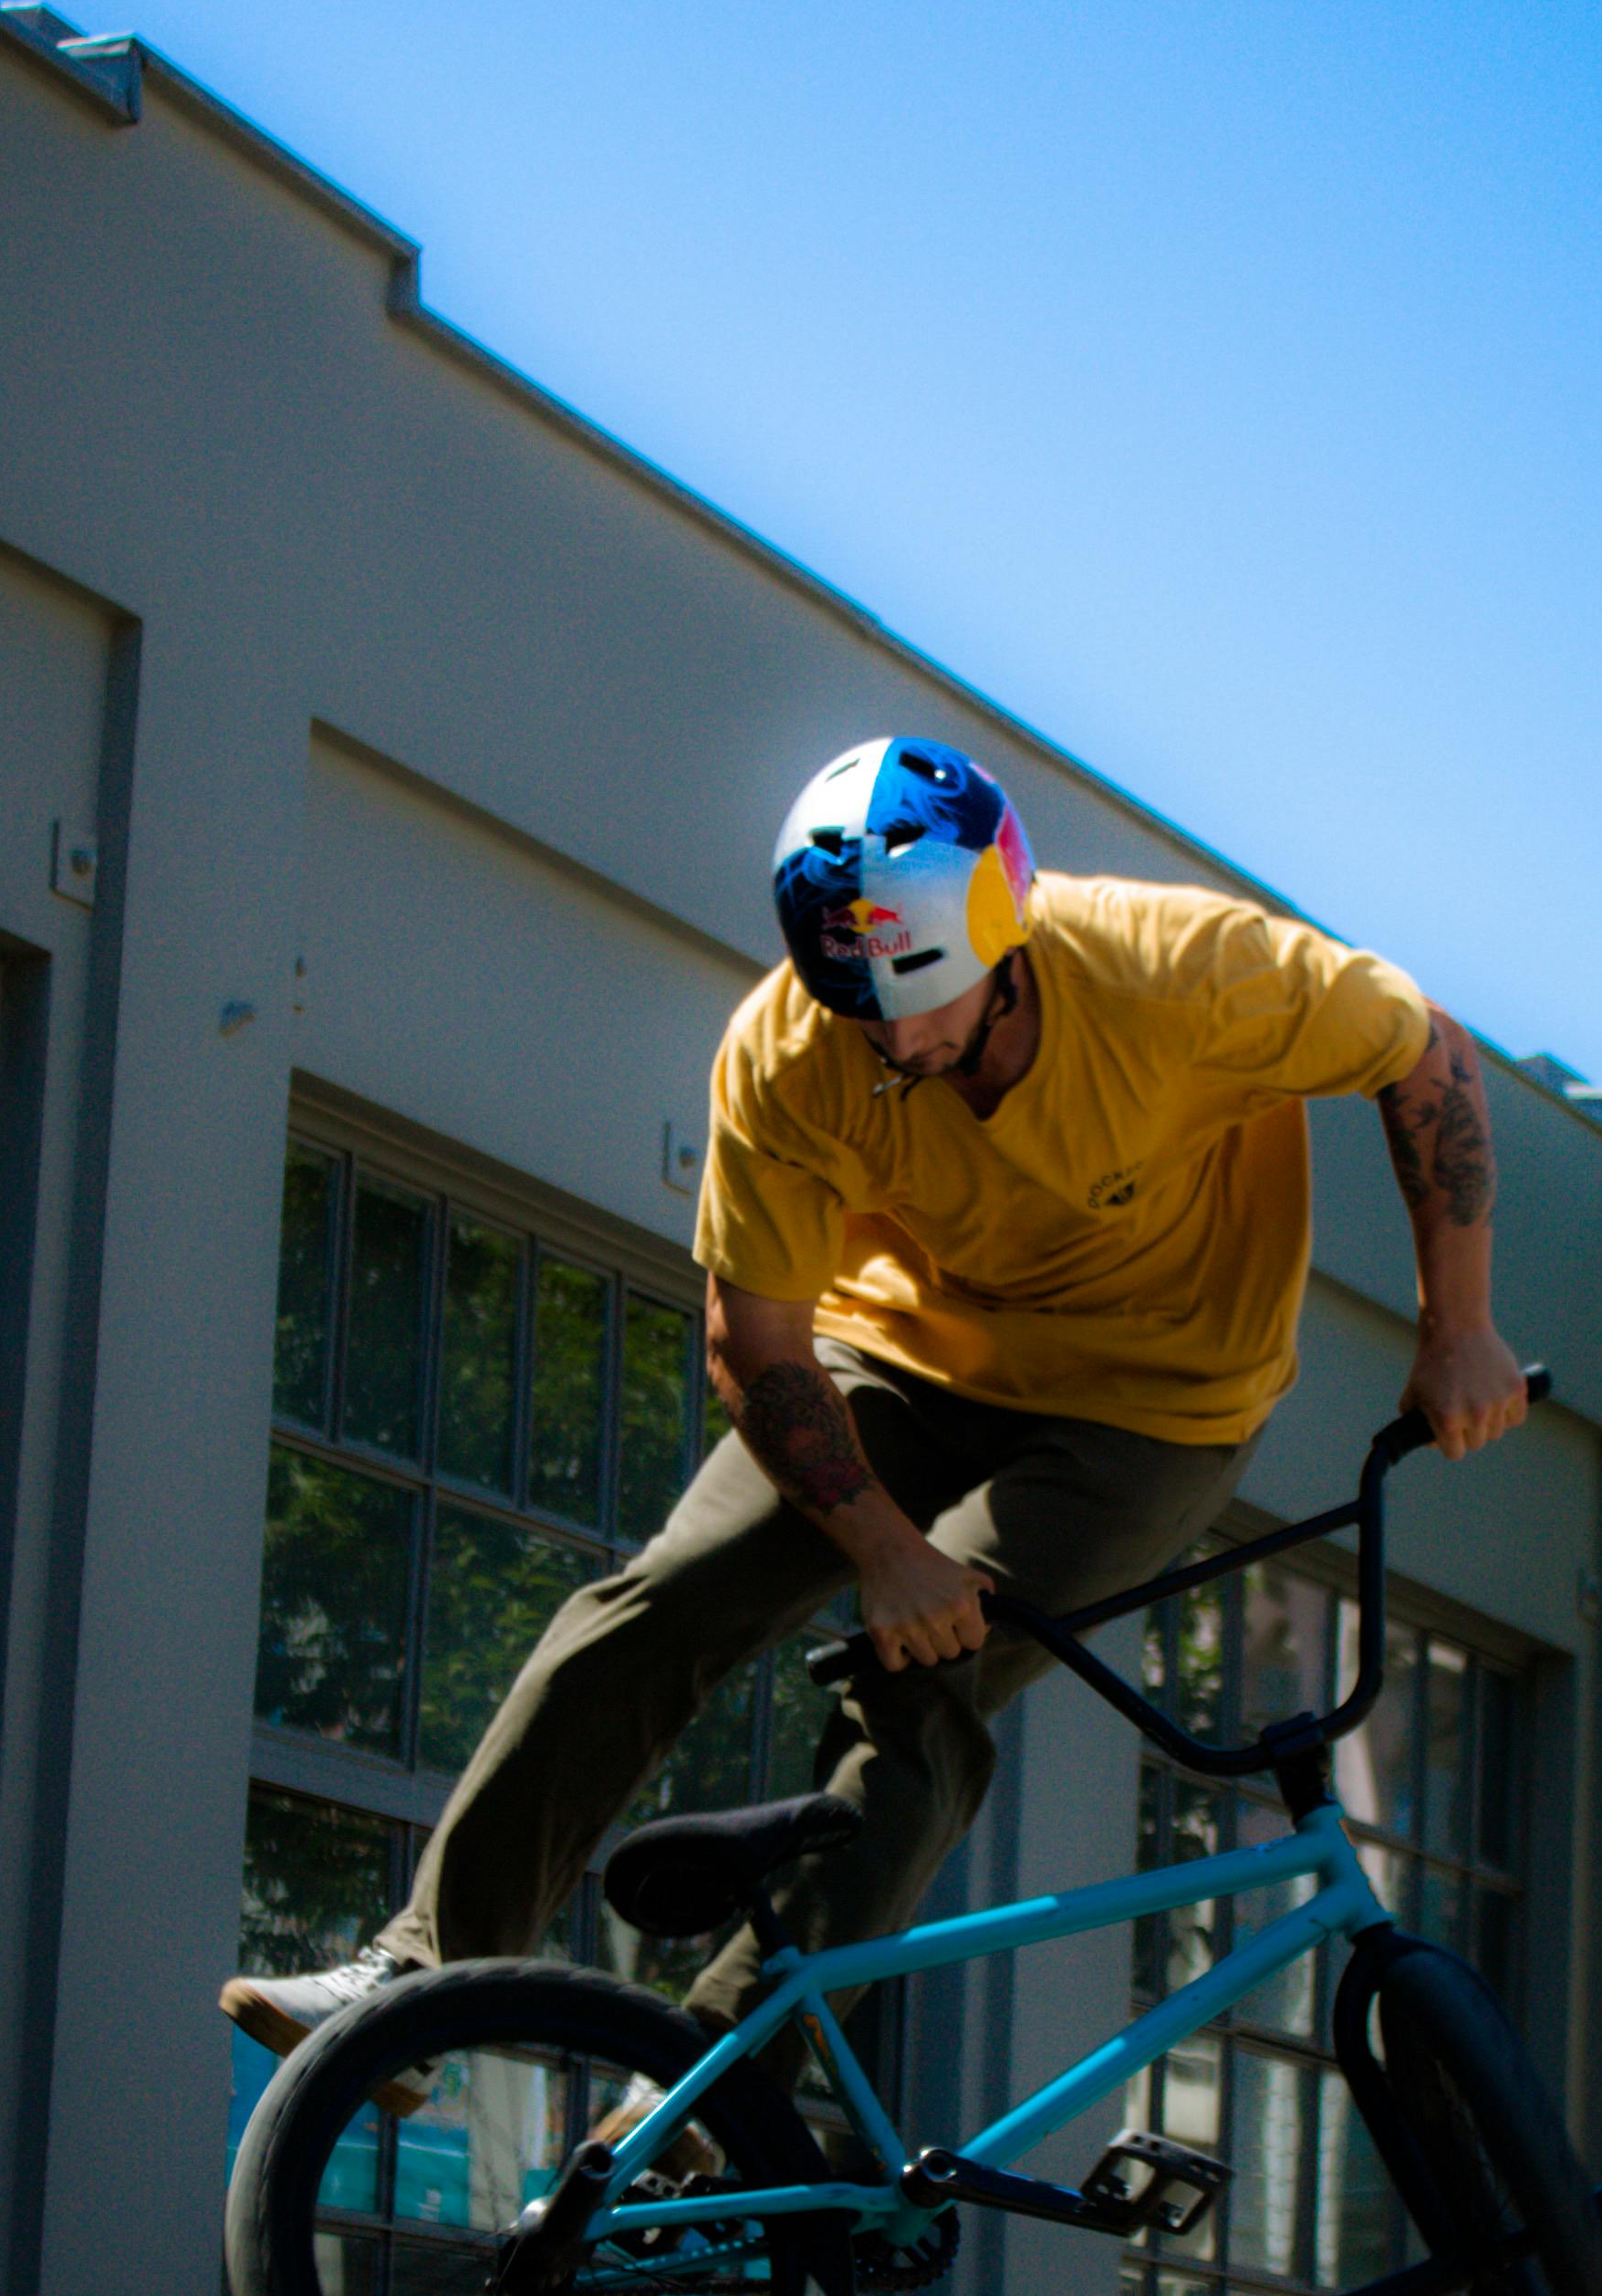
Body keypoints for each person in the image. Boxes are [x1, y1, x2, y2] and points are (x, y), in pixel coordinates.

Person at [223, 733, 1530, 2101]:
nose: (902, 1041)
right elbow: (758, 1337)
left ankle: (717, 2079)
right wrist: (882, 1541)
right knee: (671, 1590)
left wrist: (1460, 1324)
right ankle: (423, 1970)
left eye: (932, 1002)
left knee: (926, 1678)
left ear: (1005, 932)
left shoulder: (1178, 971)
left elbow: (1422, 1049)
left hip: (1155, 1403)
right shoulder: (789, 1051)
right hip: (902, 1353)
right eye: (867, 1012)